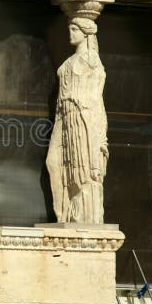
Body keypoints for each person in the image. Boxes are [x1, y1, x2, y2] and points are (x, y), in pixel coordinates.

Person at [47, 17, 108, 224]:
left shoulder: (92, 62)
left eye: (74, 29)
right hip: (64, 116)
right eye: (70, 29)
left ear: (85, 33)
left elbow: (97, 99)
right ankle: (63, 212)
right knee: (53, 162)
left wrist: (100, 135)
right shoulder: (67, 63)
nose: (70, 33)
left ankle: (84, 218)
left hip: (84, 117)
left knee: (83, 170)